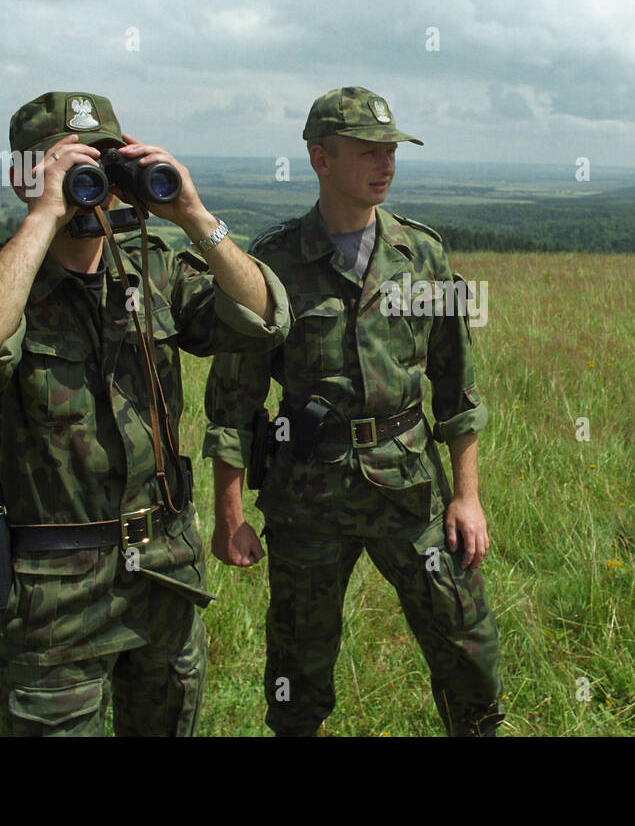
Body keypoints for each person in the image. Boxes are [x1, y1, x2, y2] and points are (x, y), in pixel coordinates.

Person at [0, 91, 290, 736]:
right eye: (65, 163)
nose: (92, 185)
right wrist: (43, 216)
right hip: (54, 595)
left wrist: (194, 215)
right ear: (20, 177)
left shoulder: (153, 268)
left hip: (165, 576)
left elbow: (264, 320)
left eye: (102, 165)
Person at [204, 86, 503, 736]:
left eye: (390, 151)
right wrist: (230, 512)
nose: (385, 164)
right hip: (308, 493)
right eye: (368, 152)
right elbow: (234, 401)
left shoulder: (420, 256)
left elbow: (457, 389)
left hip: (410, 483)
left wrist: (469, 496)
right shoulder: (273, 262)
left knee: (466, 643)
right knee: (298, 671)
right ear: (320, 158)